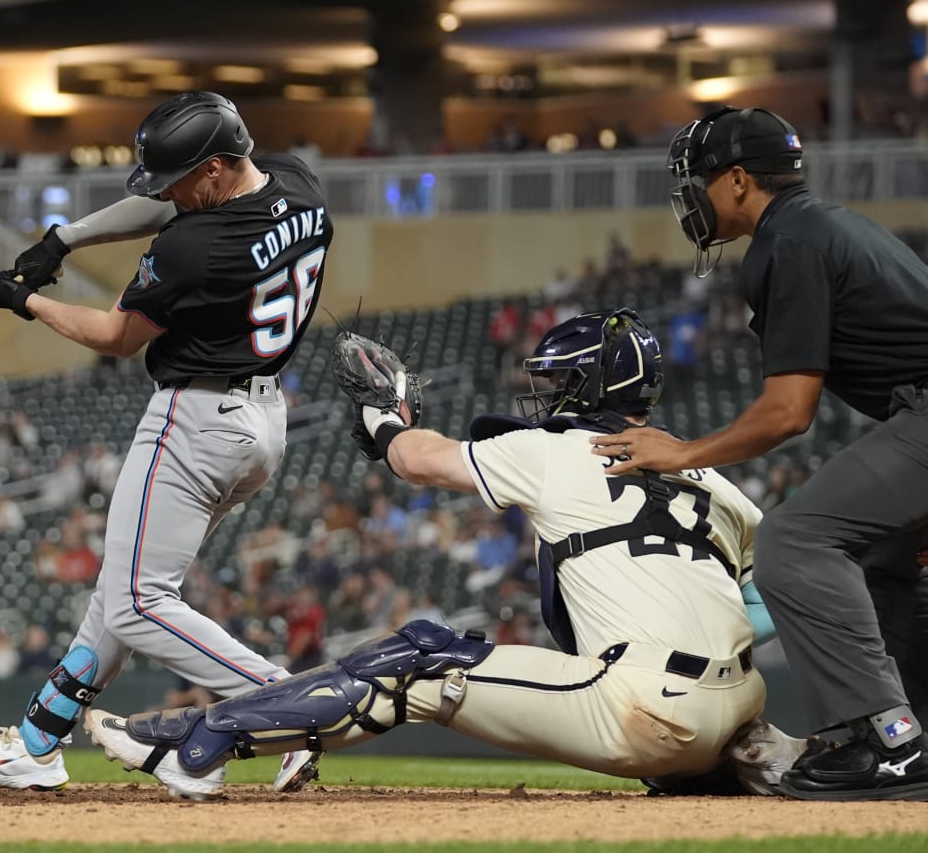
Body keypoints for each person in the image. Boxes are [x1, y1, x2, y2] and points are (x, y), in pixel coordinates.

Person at [85, 310, 798, 800]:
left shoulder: (557, 451)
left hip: (646, 712)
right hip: (739, 711)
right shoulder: (718, 481)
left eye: (556, 381)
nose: (543, 394)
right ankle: (723, 759)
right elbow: (769, 607)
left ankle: (198, 745)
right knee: (436, 663)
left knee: (418, 658)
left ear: (585, 385)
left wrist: (384, 419)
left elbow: (419, 461)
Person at [594, 106, 928, 801]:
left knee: (795, 539)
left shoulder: (787, 242)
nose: (691, 194)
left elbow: (788, 413)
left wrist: (681, 451)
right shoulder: (832, 224)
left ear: (741, 180)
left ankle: (877, 741)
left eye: (701, 179)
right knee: (885, 560)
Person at [0, 91, 331, 794]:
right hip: (260, 422)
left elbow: (115, 338)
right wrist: (64, 239)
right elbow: (172, 207)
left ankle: (288, 704)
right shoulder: (296, 181)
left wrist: (23, 300)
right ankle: (35, 743)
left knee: (137, 601)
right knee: (121, 590)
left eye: (177, 181)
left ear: (212, 172)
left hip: (194, 419)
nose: (165, 194)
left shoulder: (193, 247)